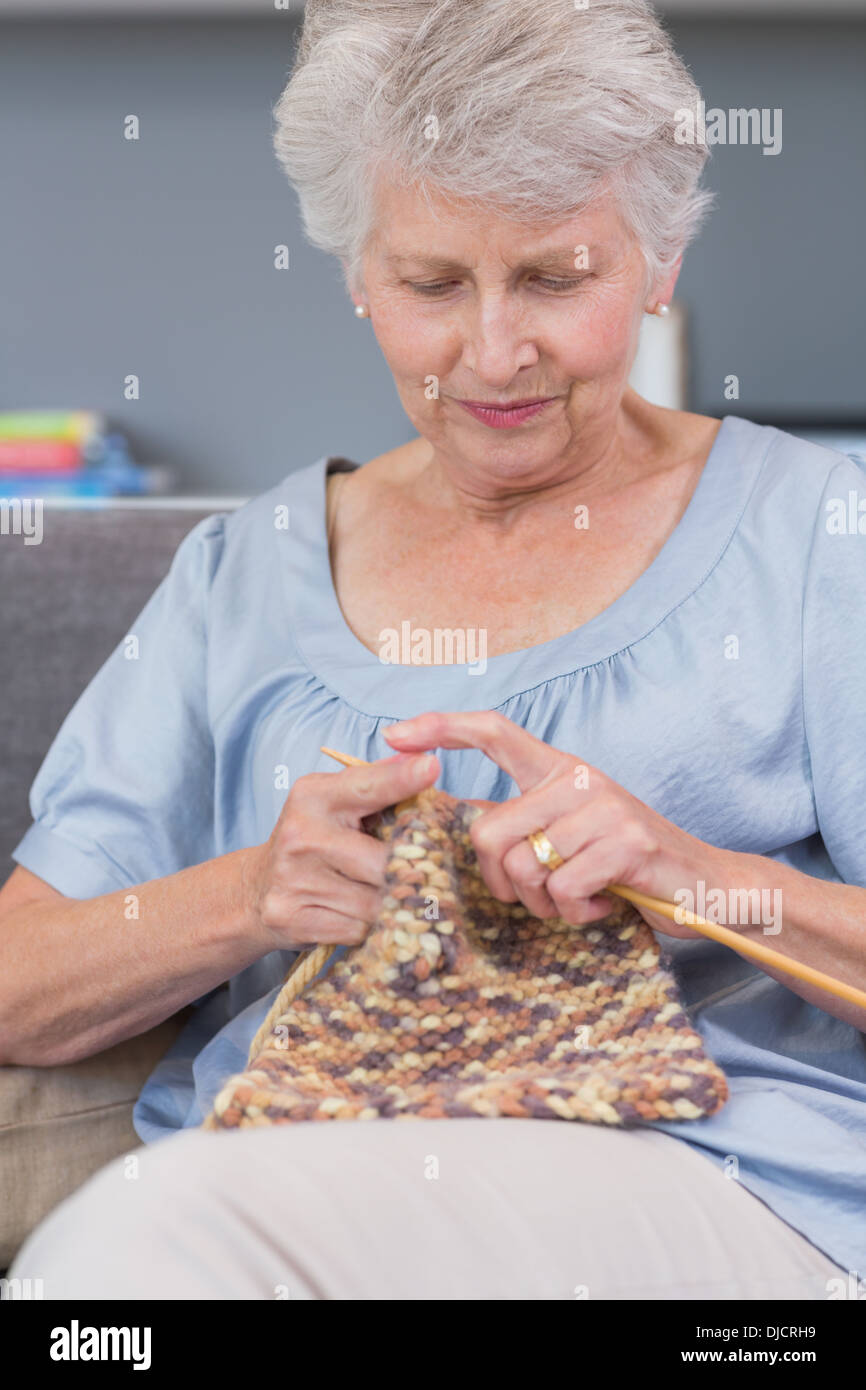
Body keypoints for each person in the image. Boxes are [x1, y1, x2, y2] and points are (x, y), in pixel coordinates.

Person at [3, 0, 863, 1299]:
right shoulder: (240, 571)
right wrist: (252, 894)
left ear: (659, 258)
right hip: (273, 1163)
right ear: (357, 272)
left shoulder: (816, 536)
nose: (494, 351)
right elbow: (24, 982)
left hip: (709, 1181)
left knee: (154, 1257)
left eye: (555, 278)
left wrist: (692, 874)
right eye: (430, 284)